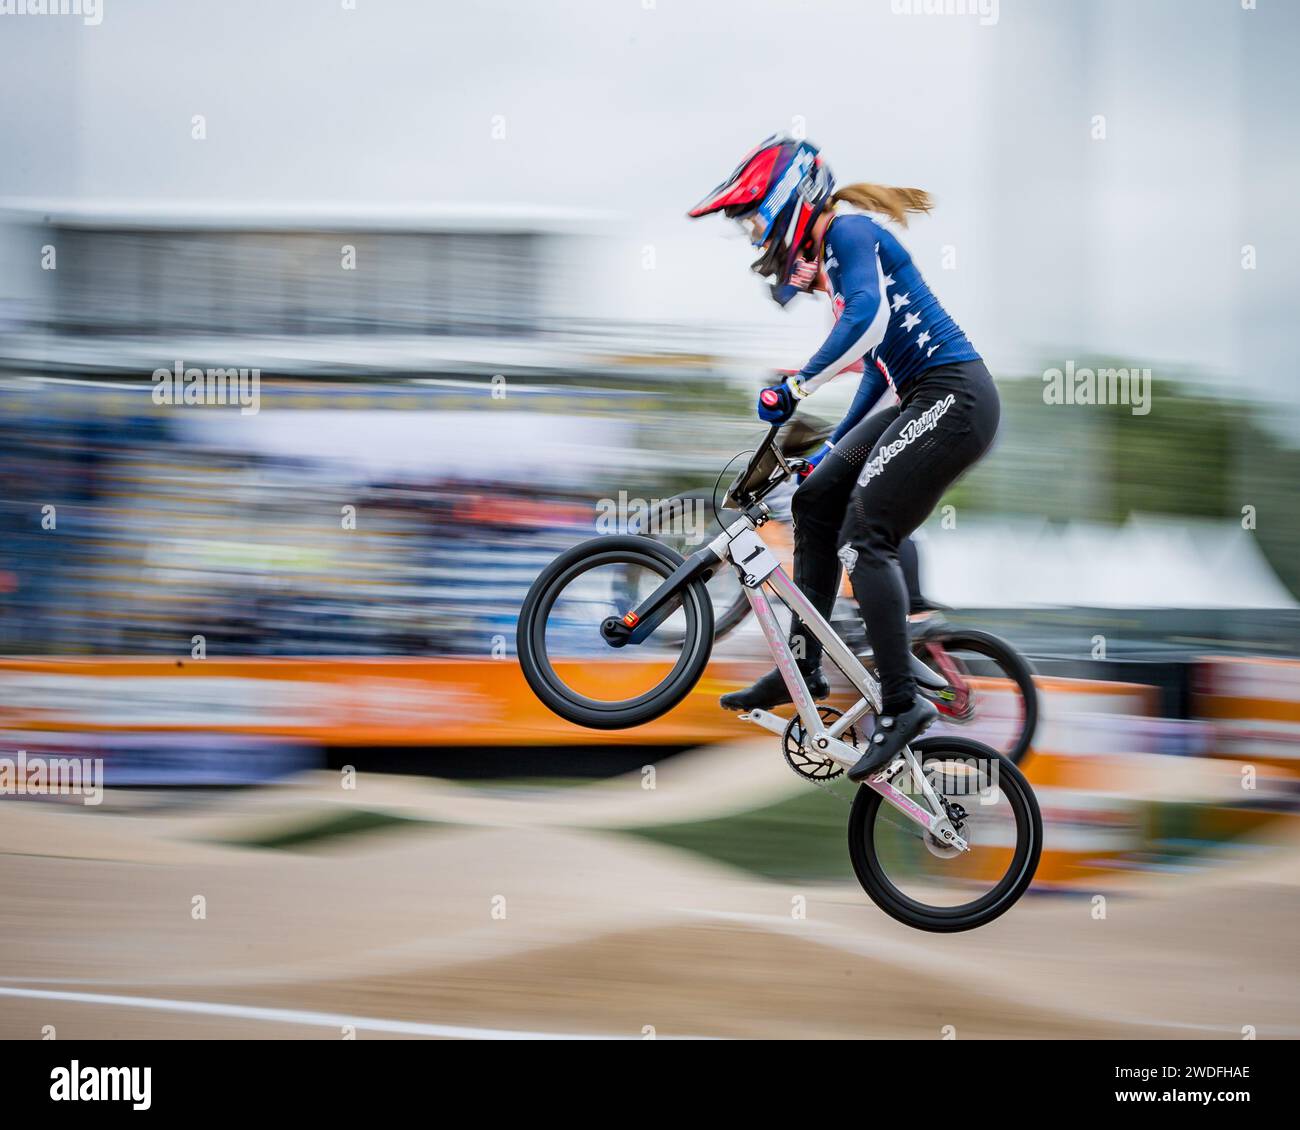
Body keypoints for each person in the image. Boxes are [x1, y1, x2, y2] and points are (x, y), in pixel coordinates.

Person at [688, 134, 1000, 781]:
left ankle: (902, 705)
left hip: (955, 397)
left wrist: (798, 384)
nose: (753, 237)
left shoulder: (850, 234)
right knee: (815, 497)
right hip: (918, 395)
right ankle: (801, 663)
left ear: (787, 201)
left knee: (866, 536)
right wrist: (829, 446)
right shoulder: (836, 253)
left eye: (752, 220)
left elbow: (867, 320)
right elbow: (876, 371)